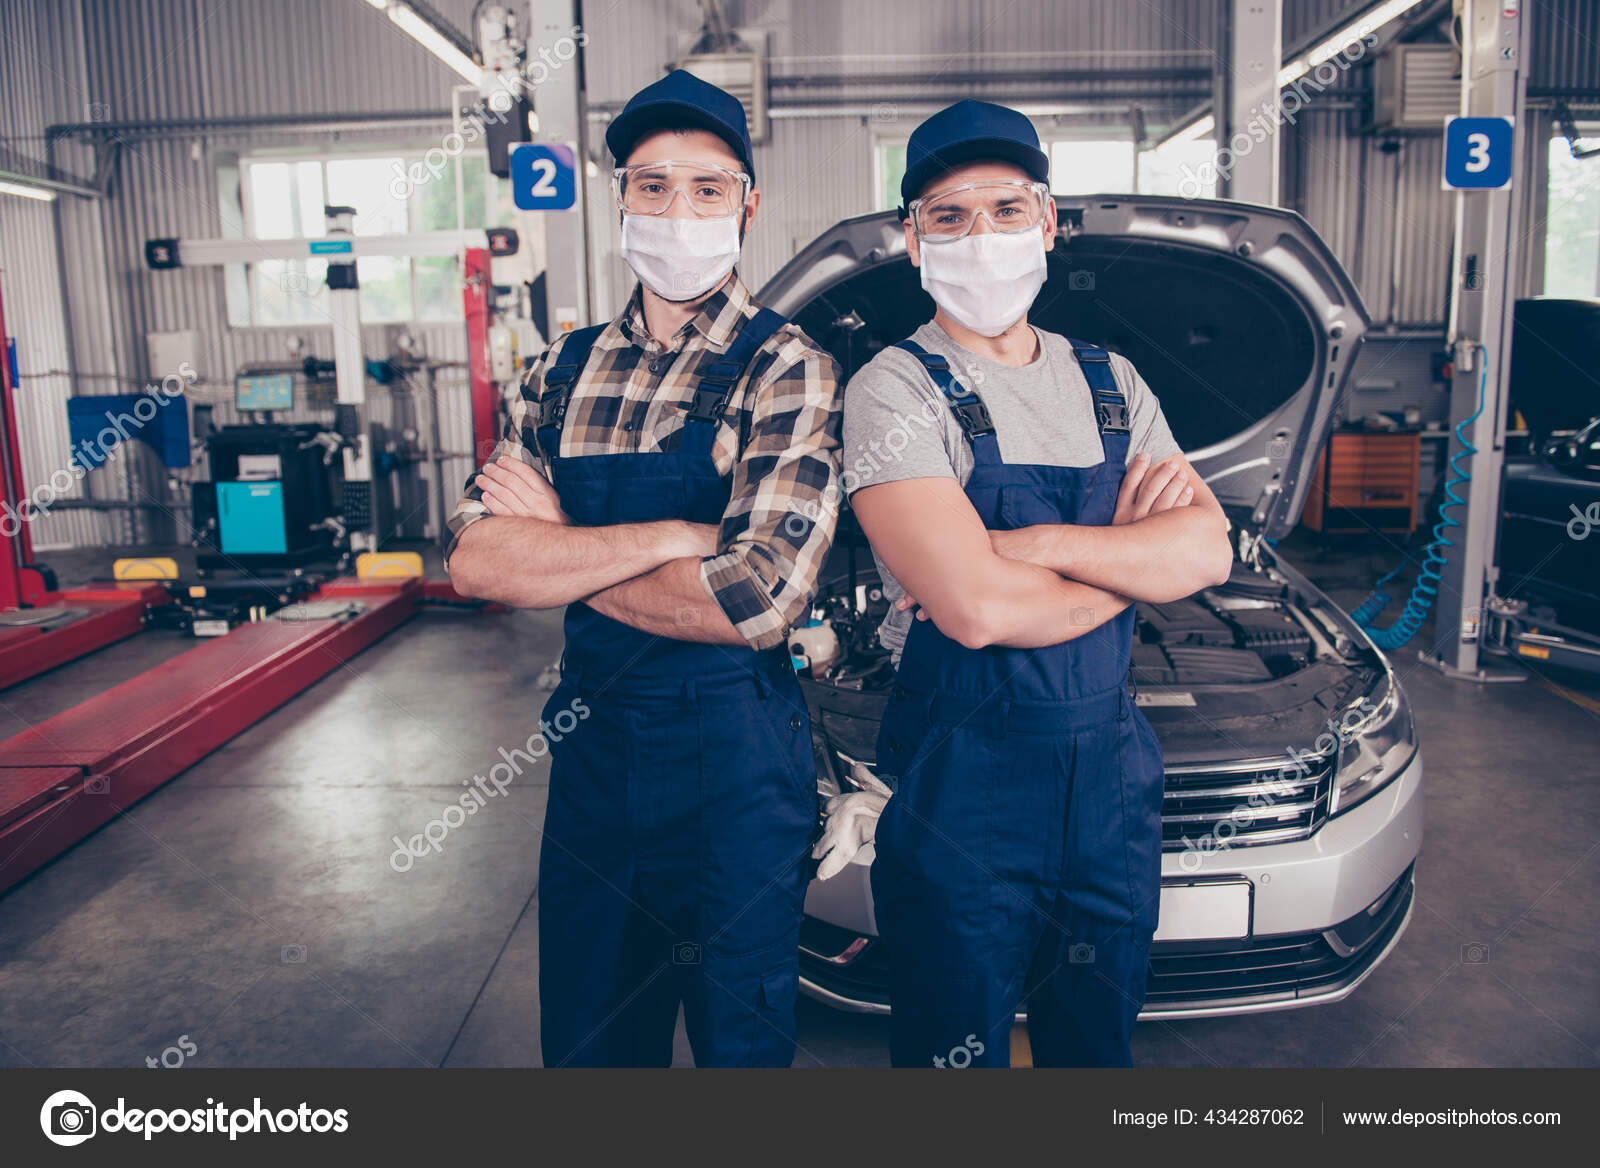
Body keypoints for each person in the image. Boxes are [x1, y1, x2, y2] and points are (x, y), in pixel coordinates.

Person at [445, 70, 843, 1068]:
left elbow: (758, 600)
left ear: (748, 204)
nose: (678, 211)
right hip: (594, 765)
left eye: (708, 188)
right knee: (589, 1047)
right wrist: (681, 537)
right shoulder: (557, 369)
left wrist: (563, 549)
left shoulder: (787, 367)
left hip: (738, 778)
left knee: (739, 1052)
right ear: (620, 198)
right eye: (652, 185)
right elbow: (477, 562)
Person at [826, 99, 1233, 1068]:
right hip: (960, 782)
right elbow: (974, 609)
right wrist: (1129, 560)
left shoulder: (1113, 382)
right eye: (949, 216)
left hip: (1108, 785)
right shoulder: (893, 389)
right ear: (912, 240)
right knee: (948, 1053)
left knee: (1094, 1048)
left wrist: (1027, 542)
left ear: (1047, 222)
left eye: (1006, 210)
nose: (983, 237)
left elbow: (1208, 549)